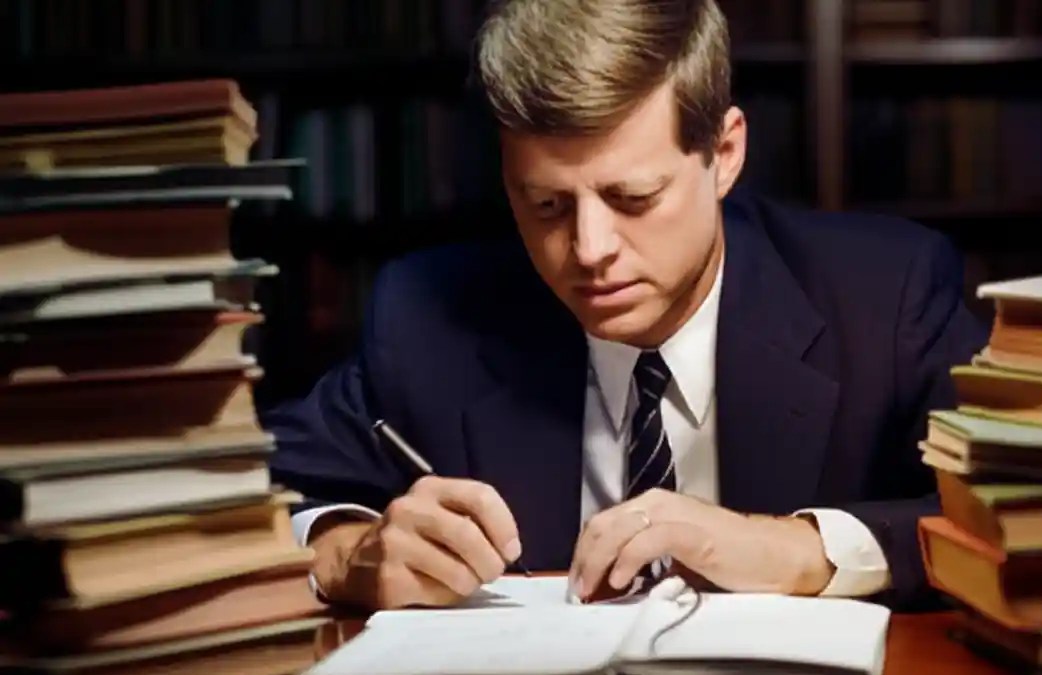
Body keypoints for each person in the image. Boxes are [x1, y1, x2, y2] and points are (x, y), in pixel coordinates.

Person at [262, 0, 988, 612]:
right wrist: (344, 551)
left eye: (633, 199)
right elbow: (239, 500)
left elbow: (1025, 507)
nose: (588, 248)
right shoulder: (427, 318)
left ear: (725, 154)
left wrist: (803, 550)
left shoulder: (882, 296)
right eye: (545, 204)